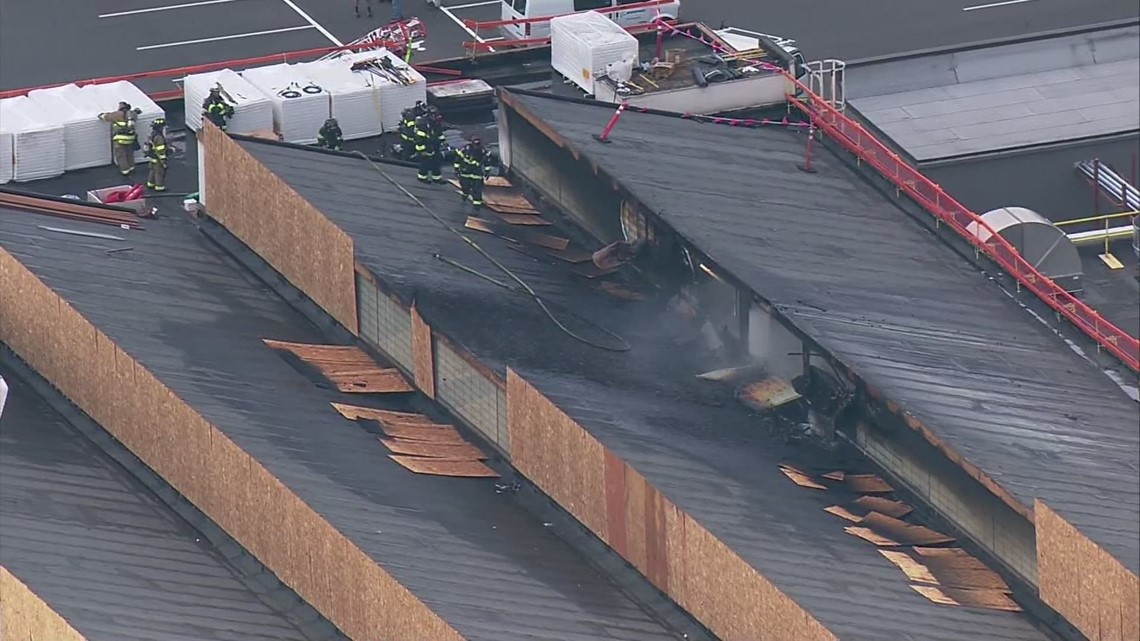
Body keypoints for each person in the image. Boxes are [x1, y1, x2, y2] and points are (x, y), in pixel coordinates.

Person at [98, 101, 141, 176]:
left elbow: (105, 117)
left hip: (120, 139)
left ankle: (125, 170)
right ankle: (132, 167)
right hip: (130, 138)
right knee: (129, 153)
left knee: (120, 155)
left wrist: (100, 115)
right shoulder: (133, 115)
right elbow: (137, 112)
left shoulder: (117, 114)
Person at [453, 137, 493, 208]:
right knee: (465, 187)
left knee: (477, 189)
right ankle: (465, 193)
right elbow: (458, 159)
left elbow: (487, 162)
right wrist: (456, 169)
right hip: (465, 172)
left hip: (477, 173)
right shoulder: (465, 149)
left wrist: (487, 172)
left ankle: (477, 205)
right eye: (475, 144)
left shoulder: (482, 151)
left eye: (478, 145)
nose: (476, 146)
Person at [413, 114, 446, 183]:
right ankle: (422, 178)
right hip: (426, 148)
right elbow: (419, 140)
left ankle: (437, 178)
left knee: (436, 163)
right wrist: (422, 151)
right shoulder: (423, 125)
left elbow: (439, 133)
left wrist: (442, 141)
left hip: (435, 146)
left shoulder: (436, 123)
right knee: (425, 164)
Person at [144, 118, 168, 191]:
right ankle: (159, 187)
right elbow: (160, 150)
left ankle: (150, 183)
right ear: (160, 127)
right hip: (157, 158)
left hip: (152, 157)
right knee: (159, 172)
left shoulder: (152, 134)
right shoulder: (159, 137)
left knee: (152, 171)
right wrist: (163, 161)